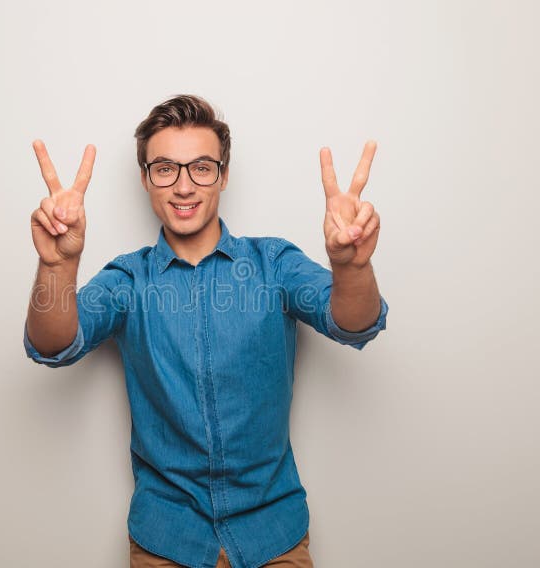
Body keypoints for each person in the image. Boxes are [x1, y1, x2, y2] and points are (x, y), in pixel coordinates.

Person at [24, 95, 388, 568]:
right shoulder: (129, 280)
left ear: (223, 174)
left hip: (273, 534)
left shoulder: (273, 263)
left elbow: (353, 323)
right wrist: (57, 264)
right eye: (165, 168)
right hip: (166, 539)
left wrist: (351, 266)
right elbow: (52, 344)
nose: (183, 186)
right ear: (145, 178)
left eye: (201, 167)